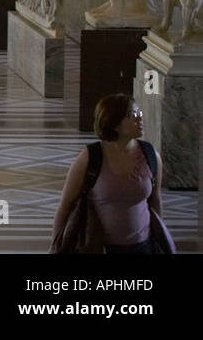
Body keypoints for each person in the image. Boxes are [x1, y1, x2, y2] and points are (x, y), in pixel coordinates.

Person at [51, 93, 174, 254]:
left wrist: (159, 238)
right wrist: (56, 245)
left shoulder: (150, 155)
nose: (140, 119)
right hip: (99, 247)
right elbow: (66, 204)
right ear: (114, 123)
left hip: (143, 246)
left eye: (140, 113)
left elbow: (155, 200)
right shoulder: (90, 158)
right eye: (133, 115)